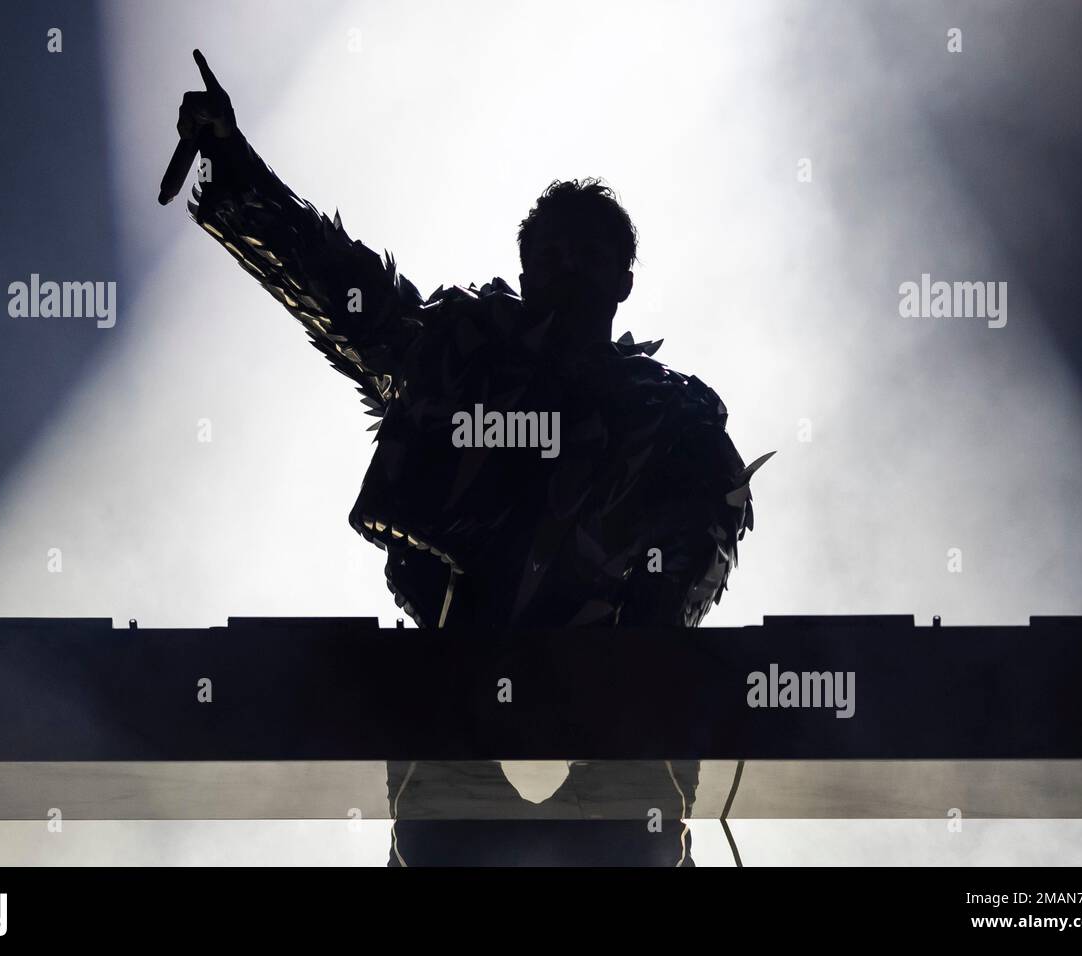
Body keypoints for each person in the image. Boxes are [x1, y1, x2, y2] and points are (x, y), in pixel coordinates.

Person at [161, 50, 769, 865]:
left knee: (633, 840)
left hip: (611, 694)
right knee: (441, 834)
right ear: (524, 266)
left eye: (590, 254)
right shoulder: (465, 360)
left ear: (625, 279)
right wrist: (237, 168)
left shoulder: (672, 415)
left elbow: (706, 537)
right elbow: (354, 301)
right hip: (461, 670)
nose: (569, 270)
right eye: (552, 252)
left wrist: (635, 654)